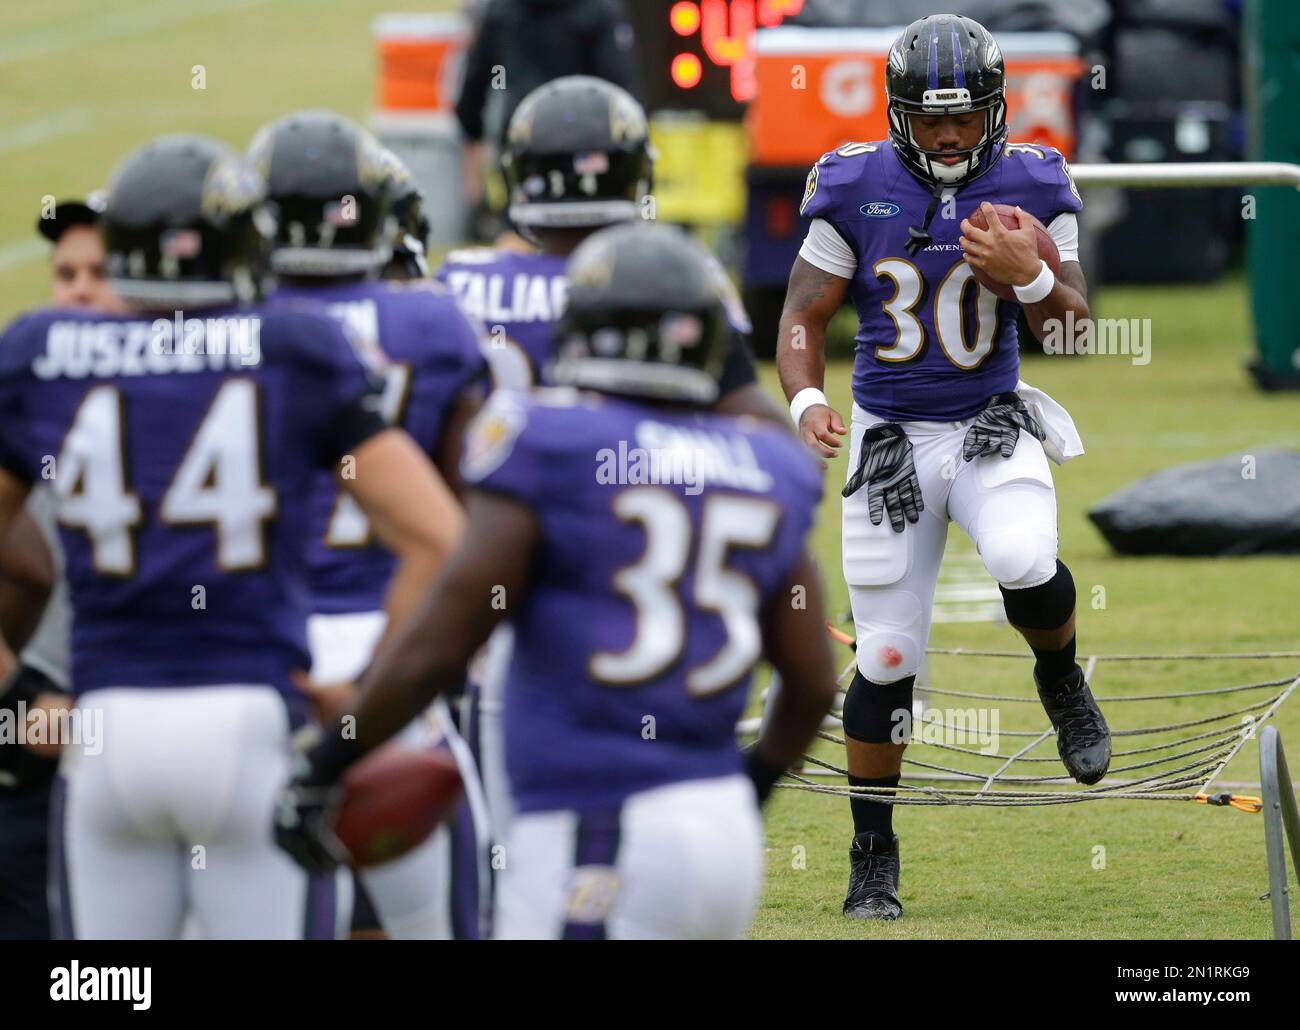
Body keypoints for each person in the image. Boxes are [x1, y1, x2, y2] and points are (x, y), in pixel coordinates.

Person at [273, 222, 839, 939]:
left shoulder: (549, 442)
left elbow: (441, 647)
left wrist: (330, 760)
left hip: (596, 823)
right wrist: (748, 785)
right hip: (722, 833)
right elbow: (814, 681)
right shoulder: (768, 464)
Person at [0, 134, 464, 939]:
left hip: (106, 741)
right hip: (251, 727)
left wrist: (16, 704)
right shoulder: (294, 347)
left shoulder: (43, 351)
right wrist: (362, 703)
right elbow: (439, 539)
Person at [774, 13, 1111, 921]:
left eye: (963, 119)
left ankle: (1062, 680)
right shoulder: (853, 184)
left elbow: (1076, 332)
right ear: (899, 115)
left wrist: (1032, 276)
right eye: (930, 120)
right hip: (891, 438)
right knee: (885, 653)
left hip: (990, 424)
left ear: (996, 112)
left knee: (1023, 562)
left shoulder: (1035, 181)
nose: (950, 136)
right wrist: (807, 398)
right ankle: (872, 852)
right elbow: (804, 315)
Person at [436, 75, 788, 844]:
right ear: (638, 173)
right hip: (643, 597)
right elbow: (768, 444)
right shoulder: (677, 283)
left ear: (518, 175)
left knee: (507, 855)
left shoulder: (457, 285)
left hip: (491, 590)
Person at [252, 110, 493, 940]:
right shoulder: (432, 322)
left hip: (259, 653)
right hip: (395, 637)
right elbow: (466, 502)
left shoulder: (225, 331)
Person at [454, 0, 638, 214]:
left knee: (524, 225)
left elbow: (477, 82)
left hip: (523, 139)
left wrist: (473, 133)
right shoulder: (598, 8)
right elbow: (619, 87)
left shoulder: (500, 10)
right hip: (587, 142)